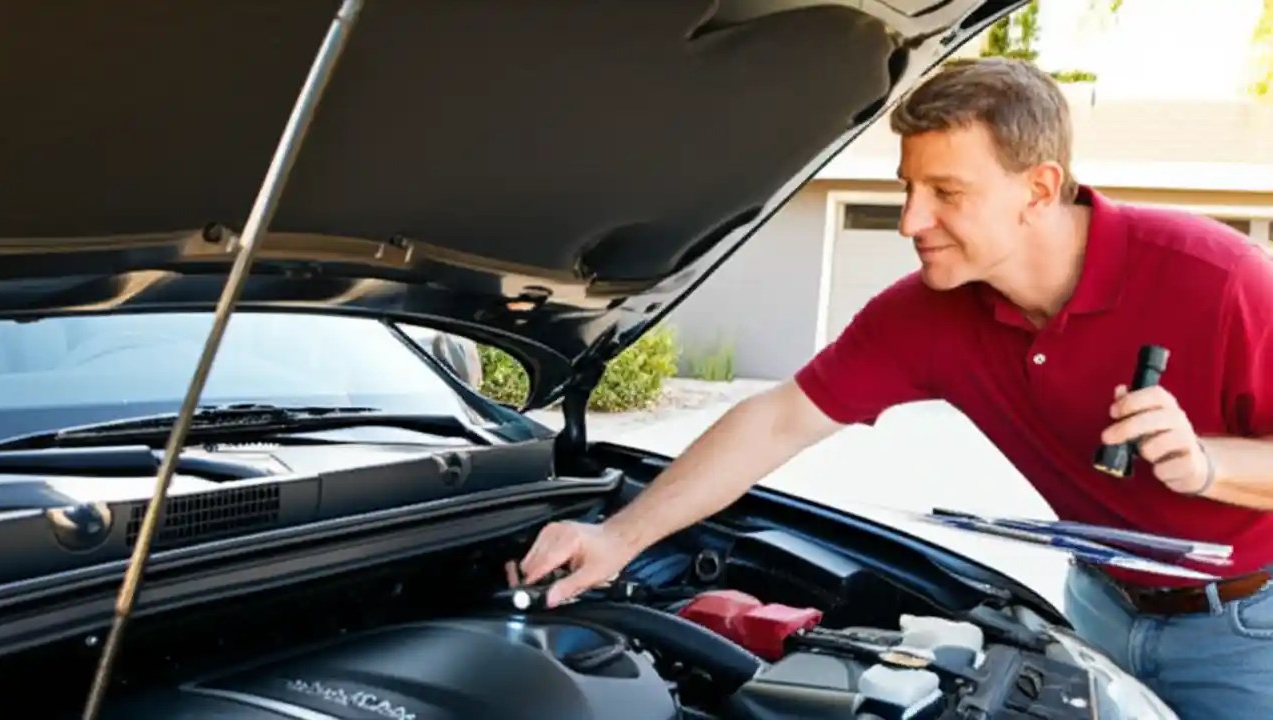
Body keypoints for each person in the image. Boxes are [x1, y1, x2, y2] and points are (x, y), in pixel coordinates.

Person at [510, 58, 1273, 719]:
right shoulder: (931, 310)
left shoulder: (1218, 281)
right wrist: (617, 538)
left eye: (946, 191)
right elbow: (777, 421)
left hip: (1248, 624)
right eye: (909, 186)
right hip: (1100, 605)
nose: (912, 218)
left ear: (1038, 189)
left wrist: (1209, 465)